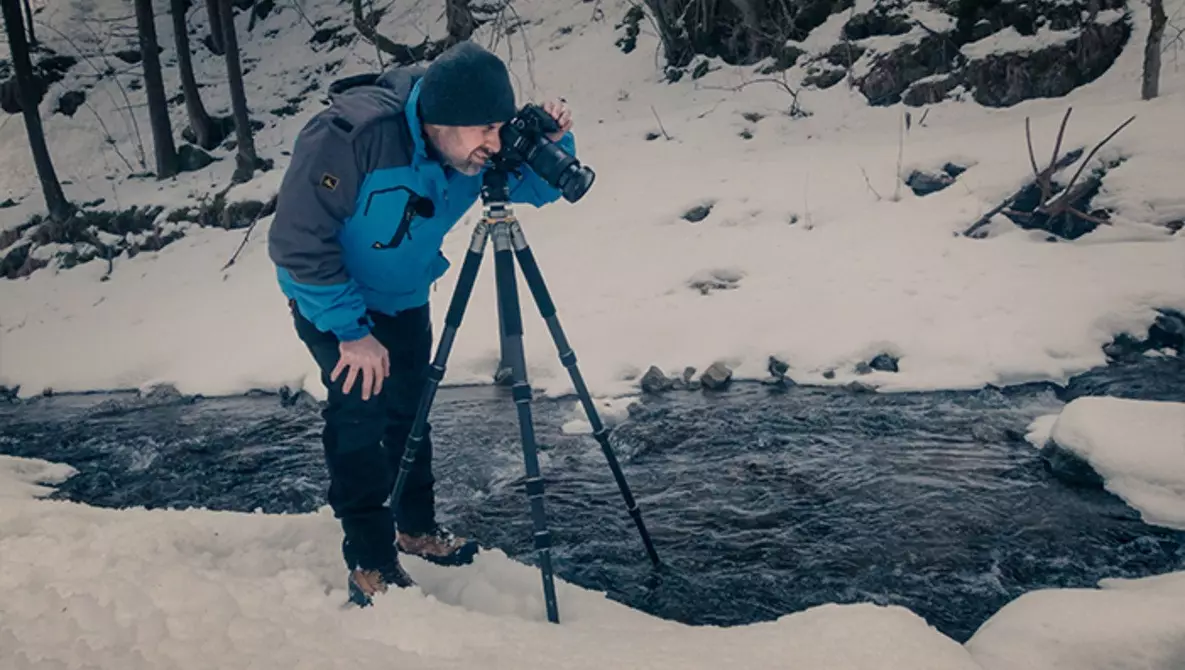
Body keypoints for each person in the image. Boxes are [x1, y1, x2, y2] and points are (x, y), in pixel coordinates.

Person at [267, 40, 576, 607]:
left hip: (404, 296)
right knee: (361, 419)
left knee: (411, 409)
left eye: (501, 127)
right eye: (485, 128)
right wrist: (351, 333)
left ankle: (415, 528)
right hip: (332, 300)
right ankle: (369, 559)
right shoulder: (350, 137)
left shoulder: (474, 148)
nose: (495, 143)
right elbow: (295, 242)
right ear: (439, 121)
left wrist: (555, 144)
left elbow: (540, 189)